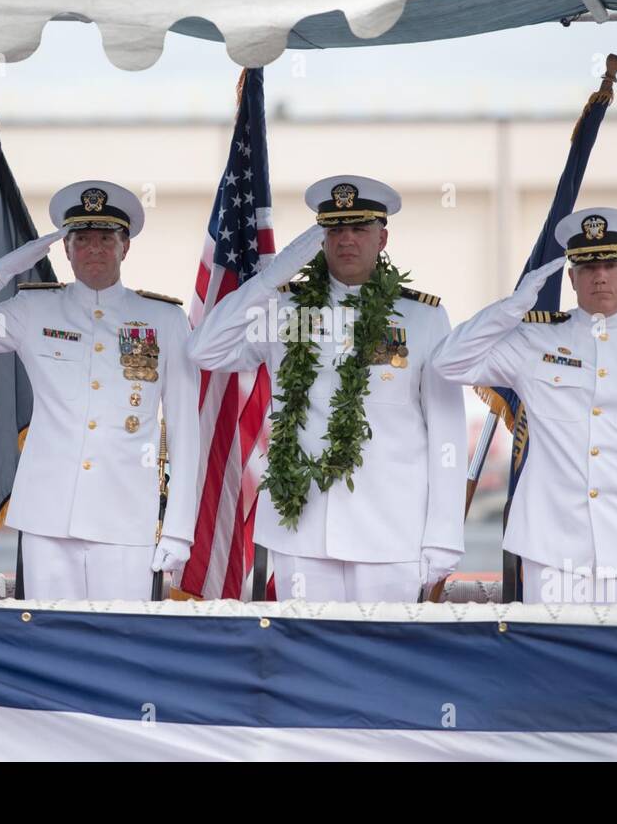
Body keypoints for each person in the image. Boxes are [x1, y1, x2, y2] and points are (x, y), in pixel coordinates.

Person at [186, 175, 467, 602]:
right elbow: (204, 349)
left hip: (390, 534)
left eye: (359, 228)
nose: (347, 240)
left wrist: (444, 535)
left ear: (382, 237)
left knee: (383, 660)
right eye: (335, 230)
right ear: (319, 239)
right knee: (305, 662)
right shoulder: (285, 308)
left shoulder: (422, 319)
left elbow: (447, 431)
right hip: (303, 530)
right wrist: (269, 280)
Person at [0, 180, 197, 600]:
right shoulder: (33, 309)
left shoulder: (164, 320)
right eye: (82, 240)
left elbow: (185, 431)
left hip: (125, 520)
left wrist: (178, 530)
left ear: (126, 247)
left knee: (118, 646)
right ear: (65, 250)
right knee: (49, 642)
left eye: (106, 239)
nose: (94, 249)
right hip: (48, 518)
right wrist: (3, 270)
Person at [433, 207, 617, 605]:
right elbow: (448, 362)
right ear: (571, 277)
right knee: (550, 666)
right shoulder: (535, 339)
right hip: (551, 549)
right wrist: (511, 308)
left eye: (613, 264)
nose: (600, 276)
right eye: (588, 266)